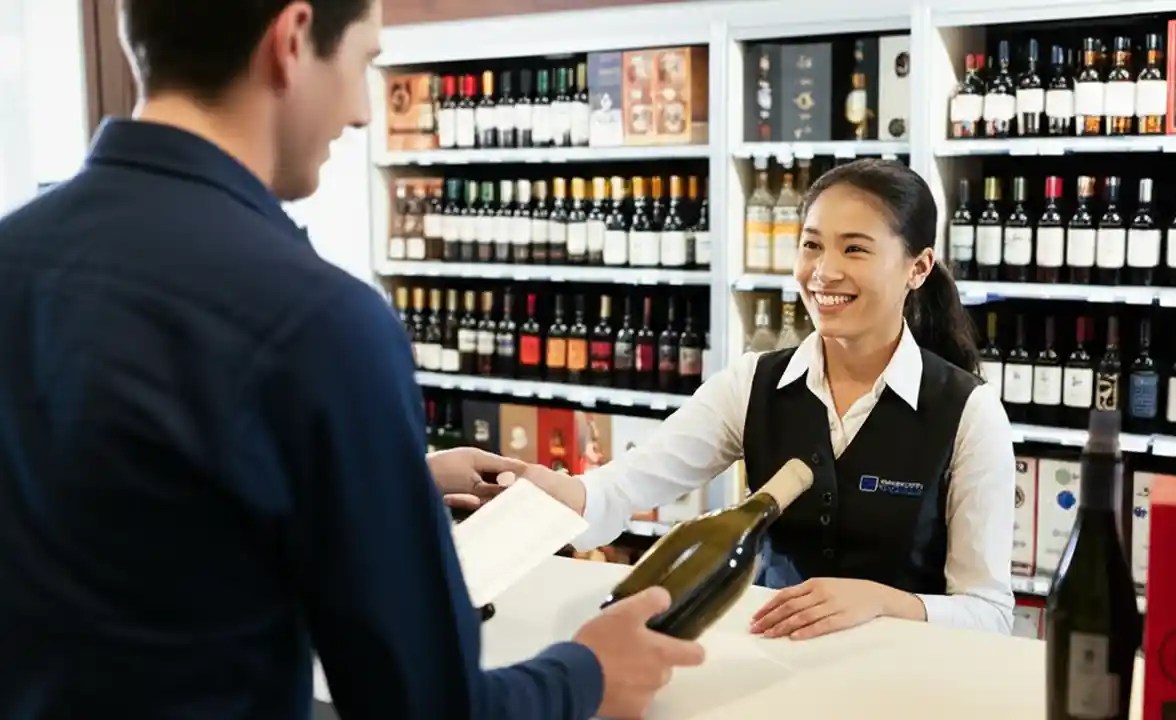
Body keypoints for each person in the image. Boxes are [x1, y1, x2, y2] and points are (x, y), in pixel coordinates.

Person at [0, 1, 703, 719]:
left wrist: (394, 484)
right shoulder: (319, 320)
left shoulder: (15, 255)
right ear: (293, 38)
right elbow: (425, 704)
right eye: (364, 61)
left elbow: (132, 506)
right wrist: (589, 674)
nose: (365, 112)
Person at [528, 159, 1017, 638]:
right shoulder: (752, 384)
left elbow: (989, 612)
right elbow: (621, 489)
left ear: (919, 267)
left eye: (855, 250)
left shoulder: (969, 412)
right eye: (811, 245)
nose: (823, 272)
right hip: (771, 660)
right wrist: (541, 492)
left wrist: (884, 601)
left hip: (904, 682)